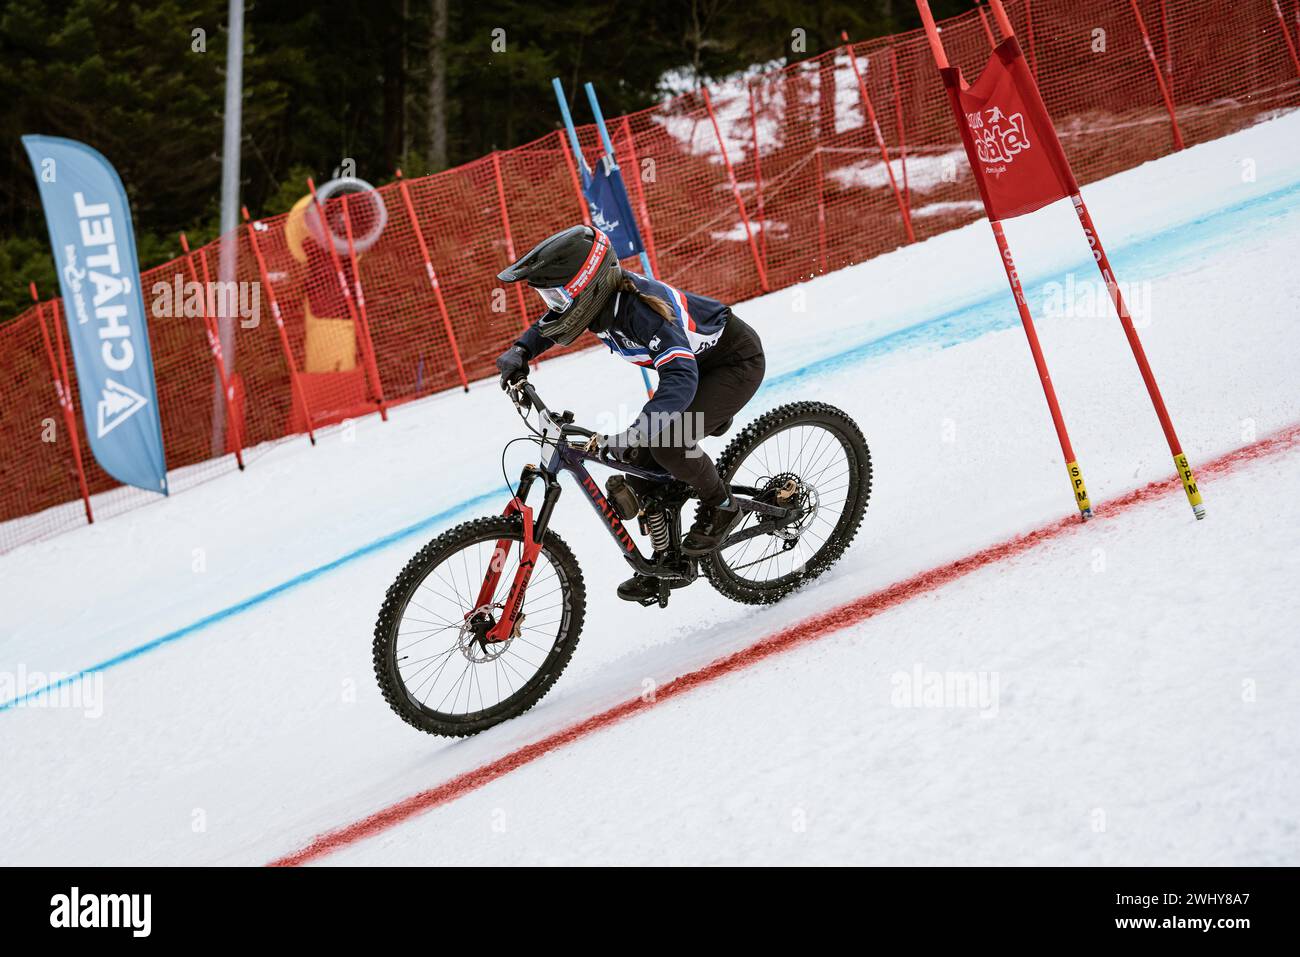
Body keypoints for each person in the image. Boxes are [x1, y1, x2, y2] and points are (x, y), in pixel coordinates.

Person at [495, 224, 766, 603]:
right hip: (692, 371)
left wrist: (640, 430)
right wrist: (521, 350)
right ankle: (666, 565)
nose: (553, 306)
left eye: (557, 296)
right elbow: (551, 325)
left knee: (670, 444)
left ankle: (723, 506)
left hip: (732, 364)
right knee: (641, 466)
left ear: (585, 287)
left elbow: (681, 376)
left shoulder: (640, 312)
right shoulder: (597, 302)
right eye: (549, 298)